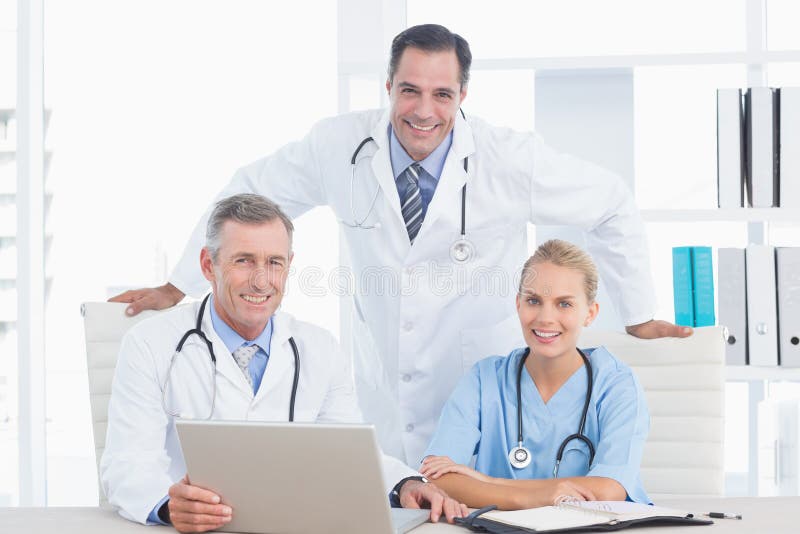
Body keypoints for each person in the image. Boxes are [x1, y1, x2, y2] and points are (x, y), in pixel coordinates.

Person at [110, 24, 689, 466]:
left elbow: (612, 201)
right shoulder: (339, 145)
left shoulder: (510, 159)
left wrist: (636, 315)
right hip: (382, 392)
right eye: (409, 90)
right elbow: (246, 192)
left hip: (483, 393)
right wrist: (181, 282)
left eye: (442, 94)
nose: (423, 110)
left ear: (464, 94)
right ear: (388, 86)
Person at [100, 194, 466, 531]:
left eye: (273, 262)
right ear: (208, 265)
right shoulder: (151, 344)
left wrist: (408, 484)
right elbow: (127, 465)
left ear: (289, 266)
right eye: (243, 261)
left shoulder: (319, 348)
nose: (261, 280)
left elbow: (348, 456)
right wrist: (168, 506)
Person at [418, 239, 650, 509]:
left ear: (590, 313)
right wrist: (538, 496)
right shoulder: (484, 379)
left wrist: (489, 483)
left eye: (564, 304)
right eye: (533, 301)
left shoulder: (616, 385)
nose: (545, 318)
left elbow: (610, 489)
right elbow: (437, 480)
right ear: (518, 304)